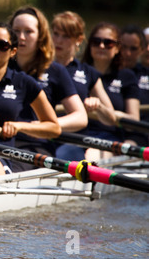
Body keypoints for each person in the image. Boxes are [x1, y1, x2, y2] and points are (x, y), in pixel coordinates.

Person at [0, 22, 61, 178]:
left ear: (13, 51)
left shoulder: (23, 83)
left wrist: (19, 126)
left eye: (2, 46)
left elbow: (54, 128)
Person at [8, 6, 87, 171]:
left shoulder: (55, 71)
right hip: (0, 142)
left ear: (40, 36)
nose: (21, 37)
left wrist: (47, 124)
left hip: (35, 146)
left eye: (28, 31)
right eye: (16, 31)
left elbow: (80, 117)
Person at [51, 11, 116, 160]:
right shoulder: (40, 67)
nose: (58, 41)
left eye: (66, 36)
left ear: (79, 40)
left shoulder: (88, 73)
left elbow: (111, 118)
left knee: (64, 154)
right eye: (55, 34)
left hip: (73, 141)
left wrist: (98, 106)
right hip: (42, 136)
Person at [82, 22, 140, 160]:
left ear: (117, 48)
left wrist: (106, 112)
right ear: (89, 45)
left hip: (109, 136)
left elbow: (134, 121)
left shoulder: (126, 76)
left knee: (91, 155)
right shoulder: (78, 72)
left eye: (108, 43)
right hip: (79, 134)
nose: (101, 46)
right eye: (96, 41)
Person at [119, 24, 149, 146]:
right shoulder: (106, 73)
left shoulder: (146, 74)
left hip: (140, 133)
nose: (127, 53)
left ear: (142, 50)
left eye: (133, 49)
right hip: (110, 130)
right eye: (123, 47)